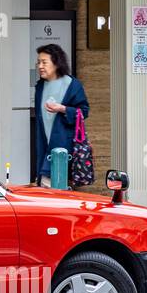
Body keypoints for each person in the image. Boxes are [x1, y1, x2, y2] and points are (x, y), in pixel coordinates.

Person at [33, 44, 90, 188]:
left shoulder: (72, 85)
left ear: (57, 63)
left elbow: (84, 111)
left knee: (53, 190)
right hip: (44, 147)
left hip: (63, 149)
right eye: (38, 62)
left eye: (44, 62)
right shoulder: (40, 86)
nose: (40, 66)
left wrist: (63, 109)